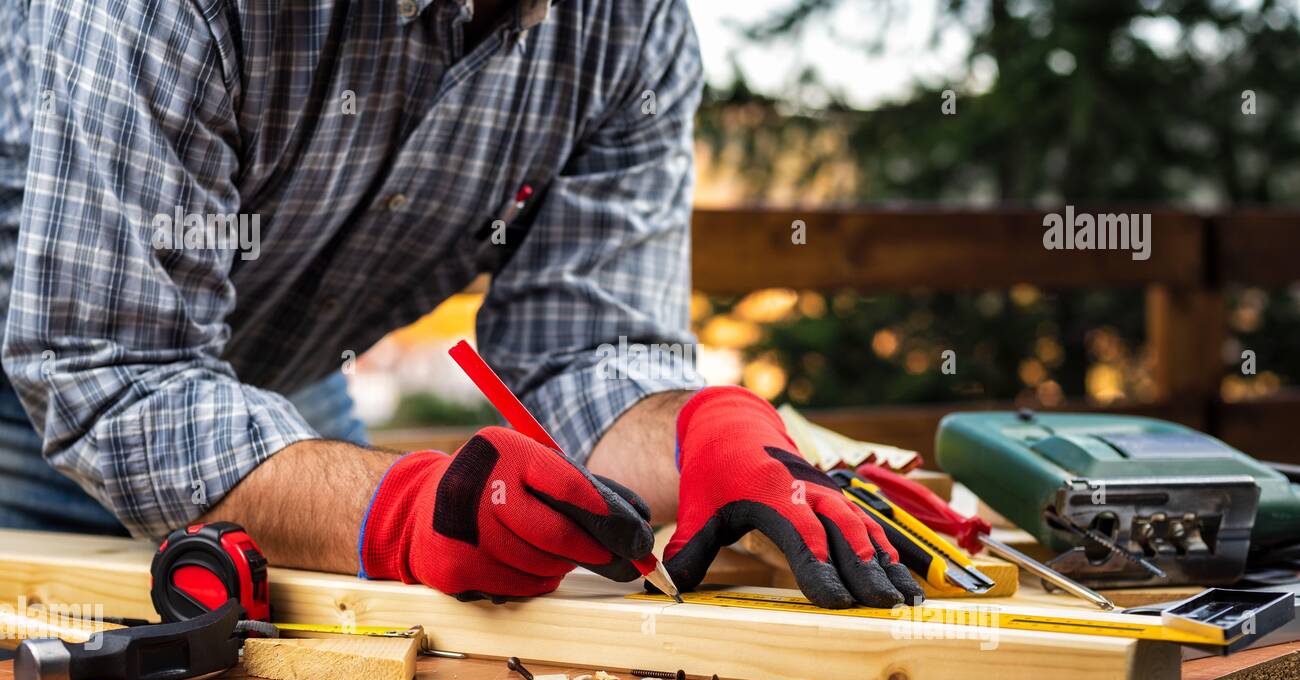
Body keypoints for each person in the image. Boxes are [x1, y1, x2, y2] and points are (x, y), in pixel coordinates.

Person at [0, 0, 920, 609]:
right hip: (31, 415)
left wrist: (704, 434)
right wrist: (398, 513)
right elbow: (113, 373)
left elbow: (584, 350)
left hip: (282, 392)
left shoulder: (630, 28)